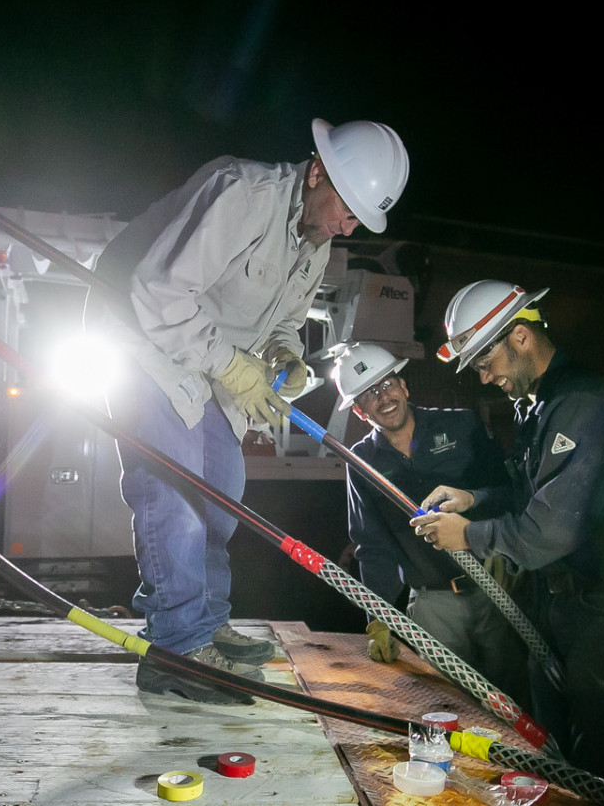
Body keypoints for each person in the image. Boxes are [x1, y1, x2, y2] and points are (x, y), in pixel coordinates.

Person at [87, 118, 409, 704]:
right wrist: (233, 367)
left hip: (207, 358)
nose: (348, 226)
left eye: (360, 219)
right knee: (176, 488)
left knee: (222, 490)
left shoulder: (315, 243)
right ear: (317, 172)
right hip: (144, 338)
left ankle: (206, 624)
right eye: (347, 208)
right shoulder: (242, 193)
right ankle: (176, 650)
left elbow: (284, 322)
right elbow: (158, 293)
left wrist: (286, 354)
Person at [410, 280, 604, 792]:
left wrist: (468, 535)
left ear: (521, 336)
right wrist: (474, 500)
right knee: (554, 757)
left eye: (485, 361)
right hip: (568, 609)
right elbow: (530, 496)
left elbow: (548, 530)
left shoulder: (582, 403)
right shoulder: (537, 404)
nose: (485, 377)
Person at [332, 341, 528, 704]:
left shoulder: (461, 424)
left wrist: (503, 547)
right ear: (359, 411)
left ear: (404, 386)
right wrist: (379, 617)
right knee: (445, 703)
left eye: (387, 384)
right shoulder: (362, 462)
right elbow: (372, 546)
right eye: (369, 394)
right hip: (433, 606)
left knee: (514, 697)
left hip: (494, 588)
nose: (383, 397)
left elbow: (508, 493)